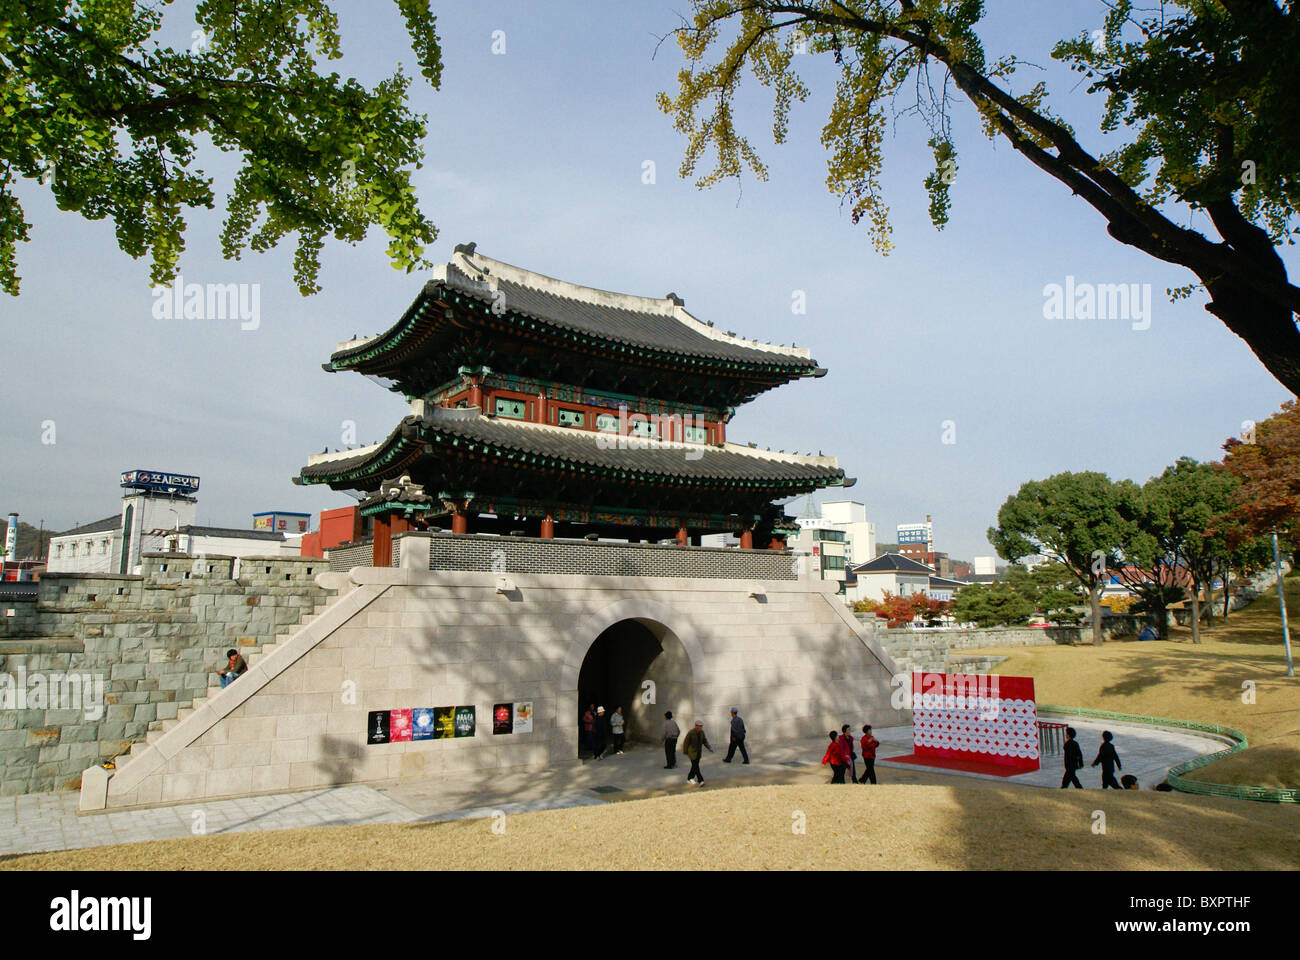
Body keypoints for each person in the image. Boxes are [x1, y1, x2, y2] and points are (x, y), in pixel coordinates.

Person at [683, 720, 712, 785]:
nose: (700, 728)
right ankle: (700, 780)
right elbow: (686, 742)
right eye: (699, 726)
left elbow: (704, 741)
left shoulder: (702, 733)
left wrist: (709, 747)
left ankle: (690, 778)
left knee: (694, 766)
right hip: (692, 752)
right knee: (696, 766)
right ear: (696, 726)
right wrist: (685, 751)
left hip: (698, 752)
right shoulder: (691, 733)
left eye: (701, 726)